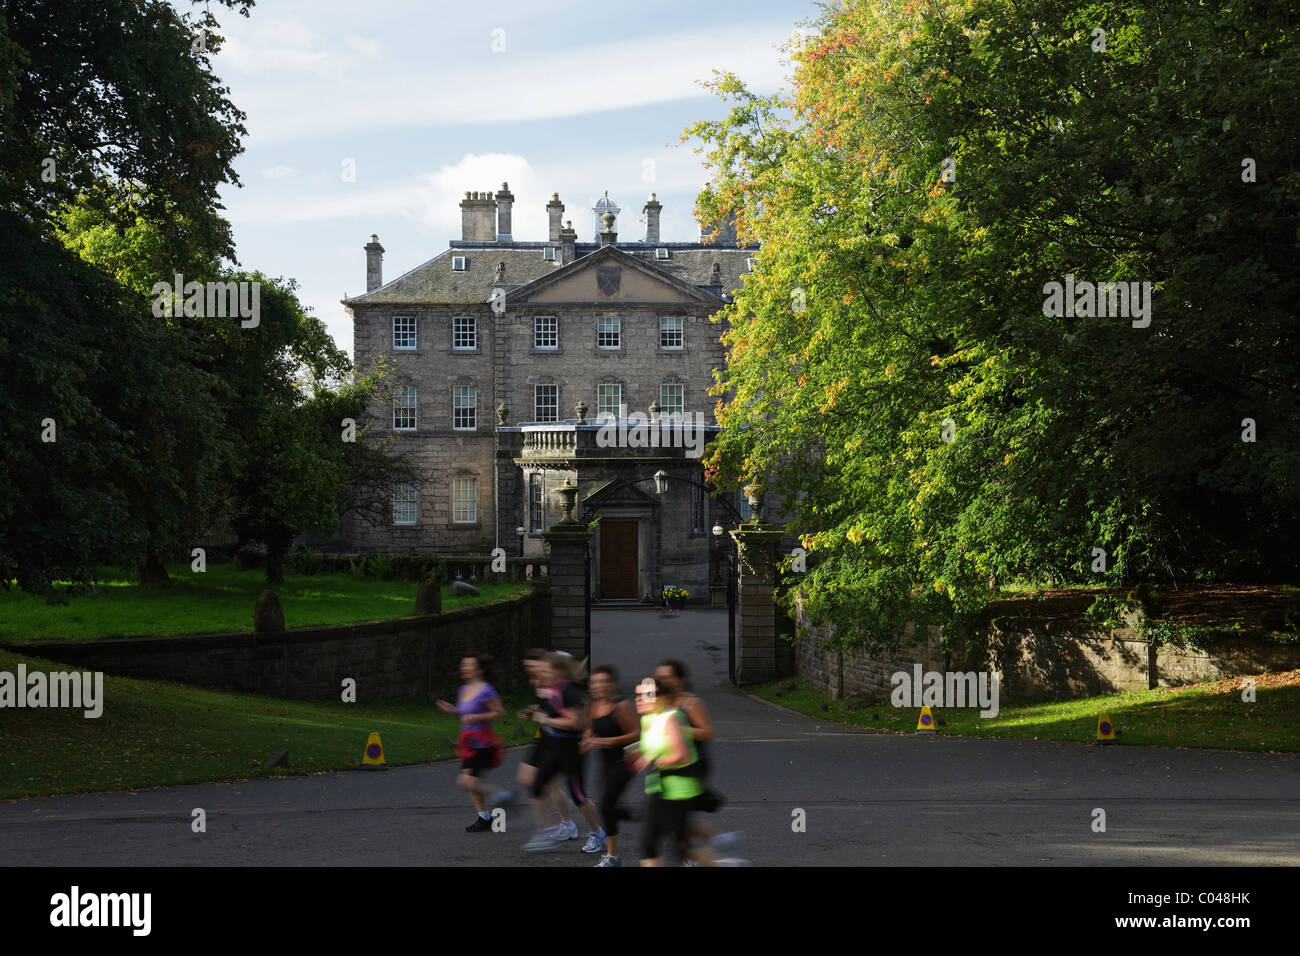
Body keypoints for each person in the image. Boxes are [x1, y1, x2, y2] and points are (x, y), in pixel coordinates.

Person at [655, 658, 739, 857]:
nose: (662, 681)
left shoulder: (691, 703)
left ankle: (713, 851)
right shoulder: (662, 703)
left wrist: (679, 728)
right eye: (660, 678)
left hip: (693, 765)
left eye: (667, 678)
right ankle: (720, 841)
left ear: (680, 680)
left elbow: (707, 733)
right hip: (669, 766)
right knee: (675, 818)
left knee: (676, 819)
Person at [629, 676, 716, 867]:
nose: (639, 699)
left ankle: (721, 863)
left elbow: (681, 756)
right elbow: (656, 745)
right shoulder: (648, 719)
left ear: (662, 697)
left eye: (646, 695)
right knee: (667, 847)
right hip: (661, 789)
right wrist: (641, 752)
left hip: (678, 791)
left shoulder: (671, 717)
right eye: (638, 695)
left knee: (662, 847)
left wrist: (651, 759)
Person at [521, 652, 604, 852]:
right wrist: (533, 711)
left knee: (579, 796)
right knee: (537, 785)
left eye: (546, 670)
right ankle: (547, 831)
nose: (541, 673)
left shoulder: (567, 693)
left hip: (571, 751)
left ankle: (598, 833)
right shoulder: (550, 689)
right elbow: (547, 709)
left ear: (559, 672)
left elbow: (574, 722)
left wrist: (546, 720)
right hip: (553, 747)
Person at [435, 654, 507, 832]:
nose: (464, 668)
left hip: (483, 742)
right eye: (463, 665)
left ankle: (502, 794)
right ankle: (484, 817)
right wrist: (453, 710)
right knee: (468, 781)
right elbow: (464, 714)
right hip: (468, 742)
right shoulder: (463, 690)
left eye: (469, 665)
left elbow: (499, 713)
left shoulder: (486, 690)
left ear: (480, 670)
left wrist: (478, 717)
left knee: (467, 781)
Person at [581, 664, 640, 867]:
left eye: (604, 682)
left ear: (612, 684)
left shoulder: (621, 706)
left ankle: (613, 857)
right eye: (595, 682)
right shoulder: (593, 706)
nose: (599, 686)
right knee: (610, 806)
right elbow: (590, 730)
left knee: (605, 806)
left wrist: (609, 741)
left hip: (625, 762)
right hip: (605, 763)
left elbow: (636, 734)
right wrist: (585, 742)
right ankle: (643, 816)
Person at [516, 649, 575, 837]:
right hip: (541, 736)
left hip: (556, 739)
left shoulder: (556, 685)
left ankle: (567, 823)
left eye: (533, 667)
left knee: (549, 784)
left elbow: (560, 711)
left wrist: (545, 717)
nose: (530, 670)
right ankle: (558, 811)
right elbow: (541, 706)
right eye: (527, 668)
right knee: (527, 779)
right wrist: (529, 711)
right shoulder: (536, 682)